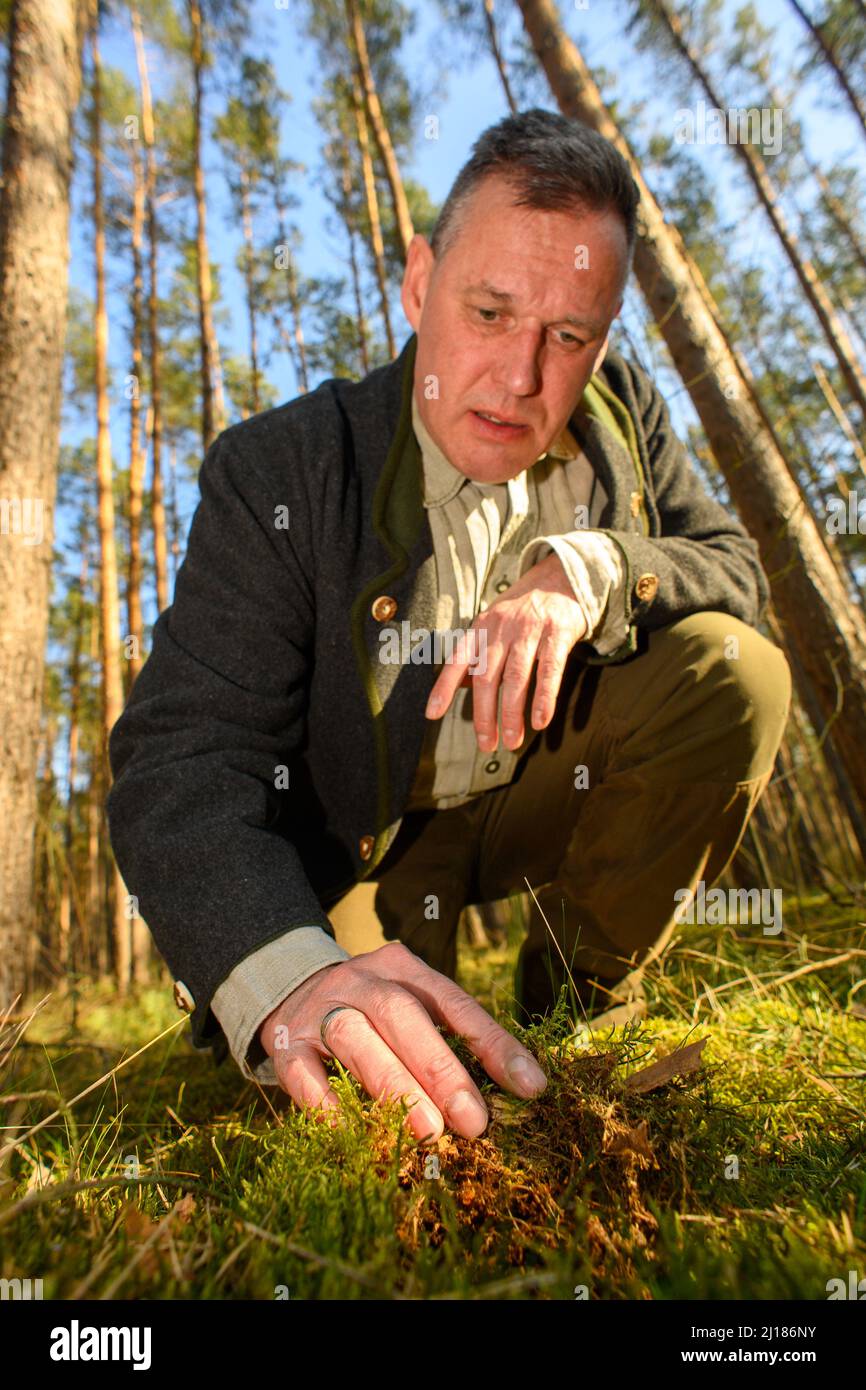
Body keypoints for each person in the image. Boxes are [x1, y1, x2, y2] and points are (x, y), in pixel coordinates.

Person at [107, 109, 792, 1148]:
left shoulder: (622, 419)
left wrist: (594, 568)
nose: (521, 379)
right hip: (367, 841)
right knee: (369, 1086)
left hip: (539, 784)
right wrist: (287, 972)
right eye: (487, 310)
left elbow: (733, 568)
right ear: (418, 282)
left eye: (568, 337)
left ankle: (574, 994)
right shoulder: (283, 467)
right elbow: (182, 757)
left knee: (735, 671)